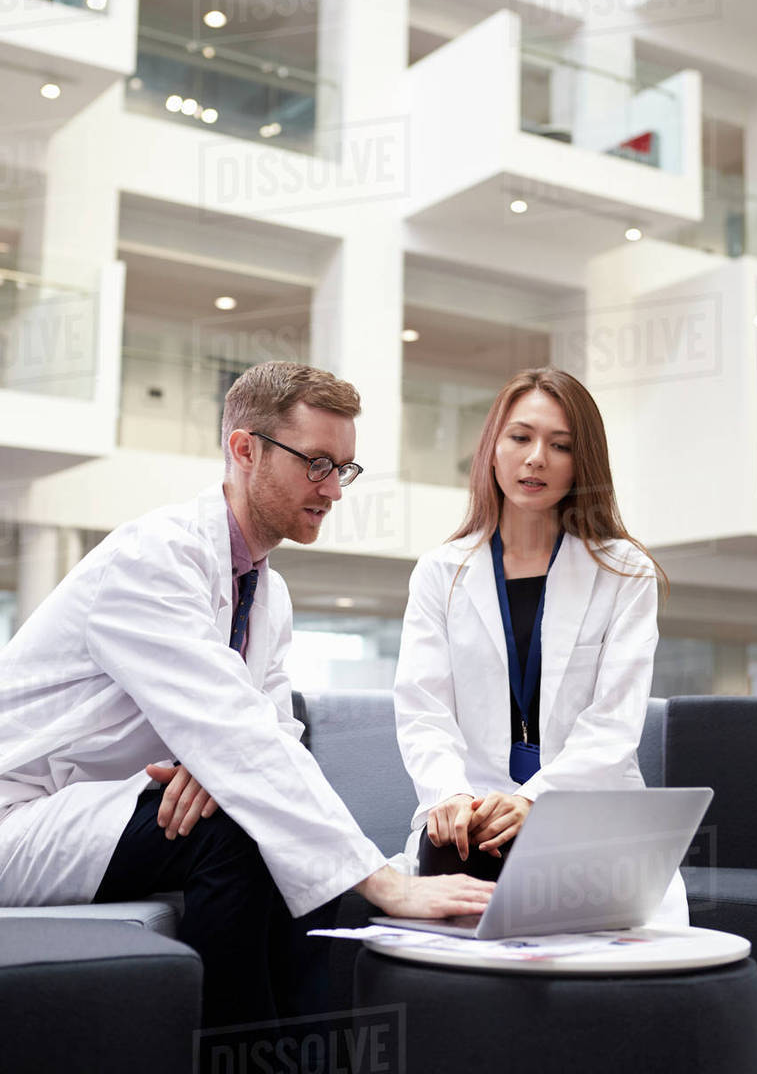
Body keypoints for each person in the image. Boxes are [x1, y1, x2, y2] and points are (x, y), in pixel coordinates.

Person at [0, 361, 492, 1033]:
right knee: (243, 823)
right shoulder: (154, 558)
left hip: (109, 805)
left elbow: (270, 734)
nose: (334, 491)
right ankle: (240, 1052)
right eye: (317, 463)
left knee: (262, 812)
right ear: (244, 449)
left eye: (343, 468)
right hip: (20, 816)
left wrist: (218, 767)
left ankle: (303, 1046)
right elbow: (234, 729)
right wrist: (383, 881)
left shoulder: (269, 591)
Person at [394, 366, 687, 924]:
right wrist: (447, 794)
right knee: (456, 902)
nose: (536, 459)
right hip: (473, 813)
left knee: (577, 929)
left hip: (584, 809)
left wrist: (535, 797)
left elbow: (614, 721)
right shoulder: (441, 571)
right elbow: (422, 706)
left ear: (583, 463)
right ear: (493, 449)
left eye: (561, 445)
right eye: (521, 437)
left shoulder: (624, 571)